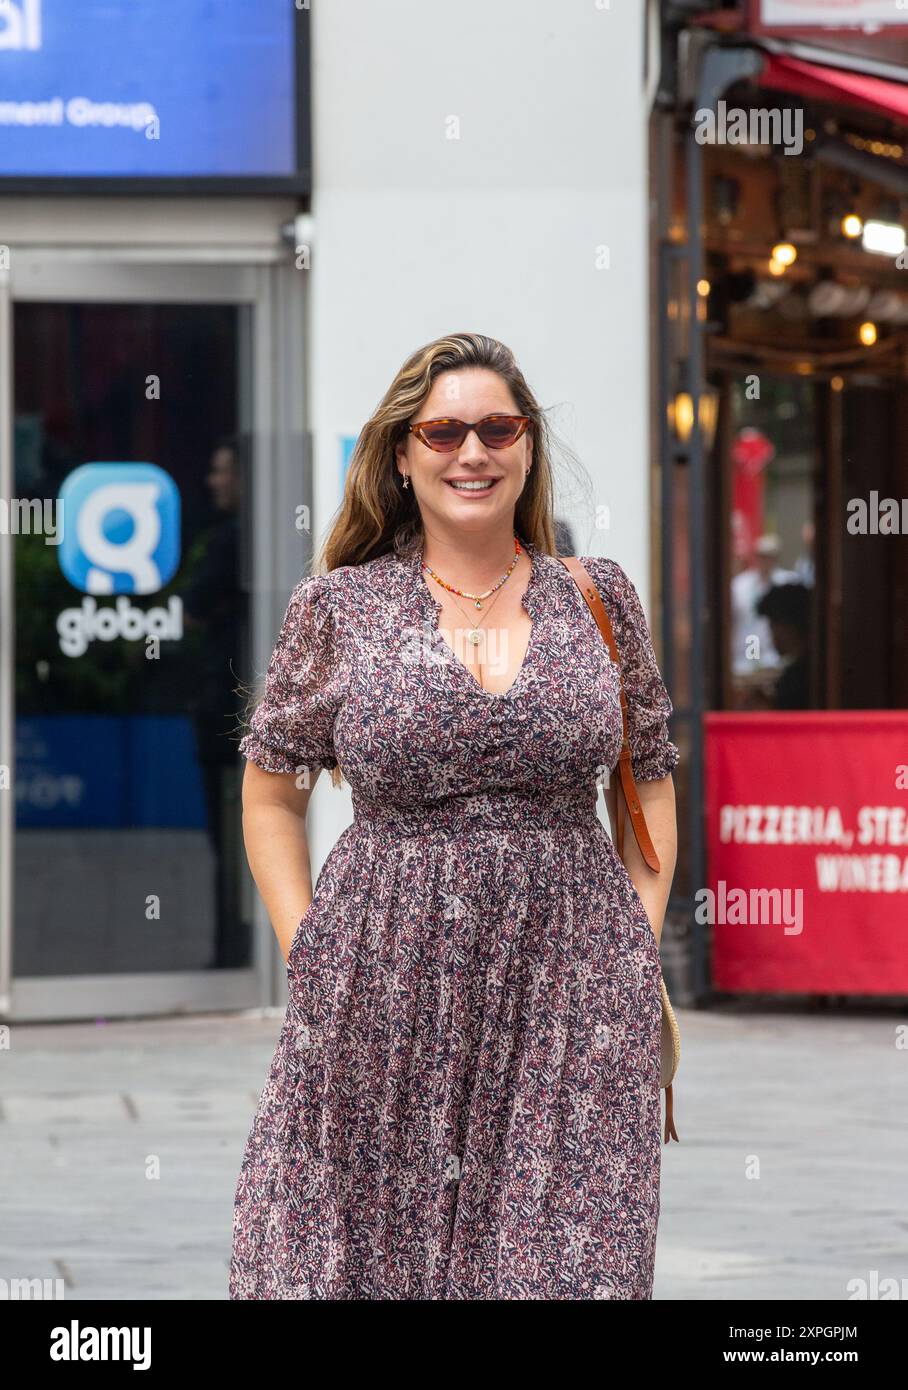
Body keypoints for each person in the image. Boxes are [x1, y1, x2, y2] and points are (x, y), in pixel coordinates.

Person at [228, 333, 679, 1300]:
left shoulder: (598, 599)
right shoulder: (340, 608)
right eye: (441, 431)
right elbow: (270, 791)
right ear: (401, 453)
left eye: (496, 428)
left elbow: (650, 780)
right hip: (379, 982)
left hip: (574, 987)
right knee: (370, 1262)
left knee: (569, 1263)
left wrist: (632, 951)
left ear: (526, 447)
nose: (470, 451)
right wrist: (307, 950)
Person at [730, 532, 799, 675]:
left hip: (775, 658)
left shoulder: (788, 582)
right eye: (762, 556)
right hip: (744, 657)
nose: (766, 561)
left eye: (770, 556)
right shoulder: (739, 585)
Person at [755, 582, 811, 709]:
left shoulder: (796, 679)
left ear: (788, 627)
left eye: (773, 626)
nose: (772, 636)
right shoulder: (802, 671)